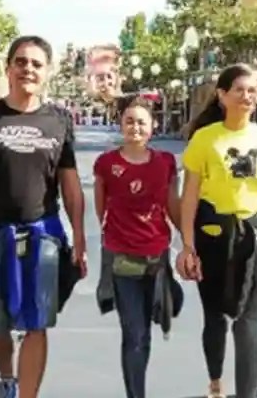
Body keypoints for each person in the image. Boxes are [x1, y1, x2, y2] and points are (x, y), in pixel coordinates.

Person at [0, 36, 87, 398]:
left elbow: (71, 187)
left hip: (44, 231)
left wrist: (80, 239)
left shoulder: (59, 121)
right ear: (8, 67)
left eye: (36, 64)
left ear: (47, 72)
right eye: (21, 61)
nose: (28, 69)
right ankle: (7, 376)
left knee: (37, 323)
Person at [178, 64, 257, 398]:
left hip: (255, 238)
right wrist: (187, 245)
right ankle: (215, 383)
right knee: (215, 317)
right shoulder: (205, 140)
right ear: (222, 95)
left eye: (252, 89)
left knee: (249, 323)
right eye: (239, 89)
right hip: (213, 236)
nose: (247, 96)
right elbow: (190, 195)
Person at [93, 96, 183, 398]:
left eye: (142, 121)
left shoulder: (166, 163)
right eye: (129, 120)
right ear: (121, 124)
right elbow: (100, 209)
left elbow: (173, 206)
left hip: (157, 259)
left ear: (152, 126)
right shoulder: (107, 163)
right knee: (134, 334)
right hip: (122, 260)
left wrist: (190, 244)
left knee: (150, 330)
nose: (135, 127)